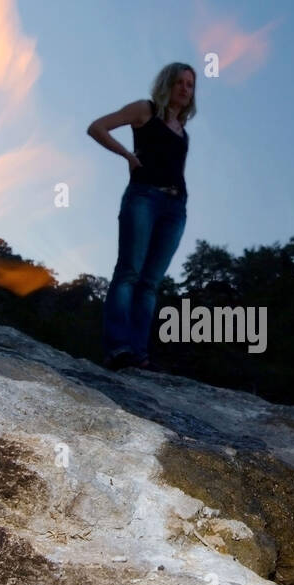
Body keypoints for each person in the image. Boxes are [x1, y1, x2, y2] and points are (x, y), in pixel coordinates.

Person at [86, 62, 196, 370]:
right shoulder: (145, 110)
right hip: (144, 197)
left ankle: (138, 353)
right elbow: (97, 127)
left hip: (175, 208)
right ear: (167, 84)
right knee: (129, 273)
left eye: (190, 84)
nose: (185, 89)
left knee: (150, 283)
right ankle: (117, 348)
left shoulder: (184, 134)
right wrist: (127, 156)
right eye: (180, 82)